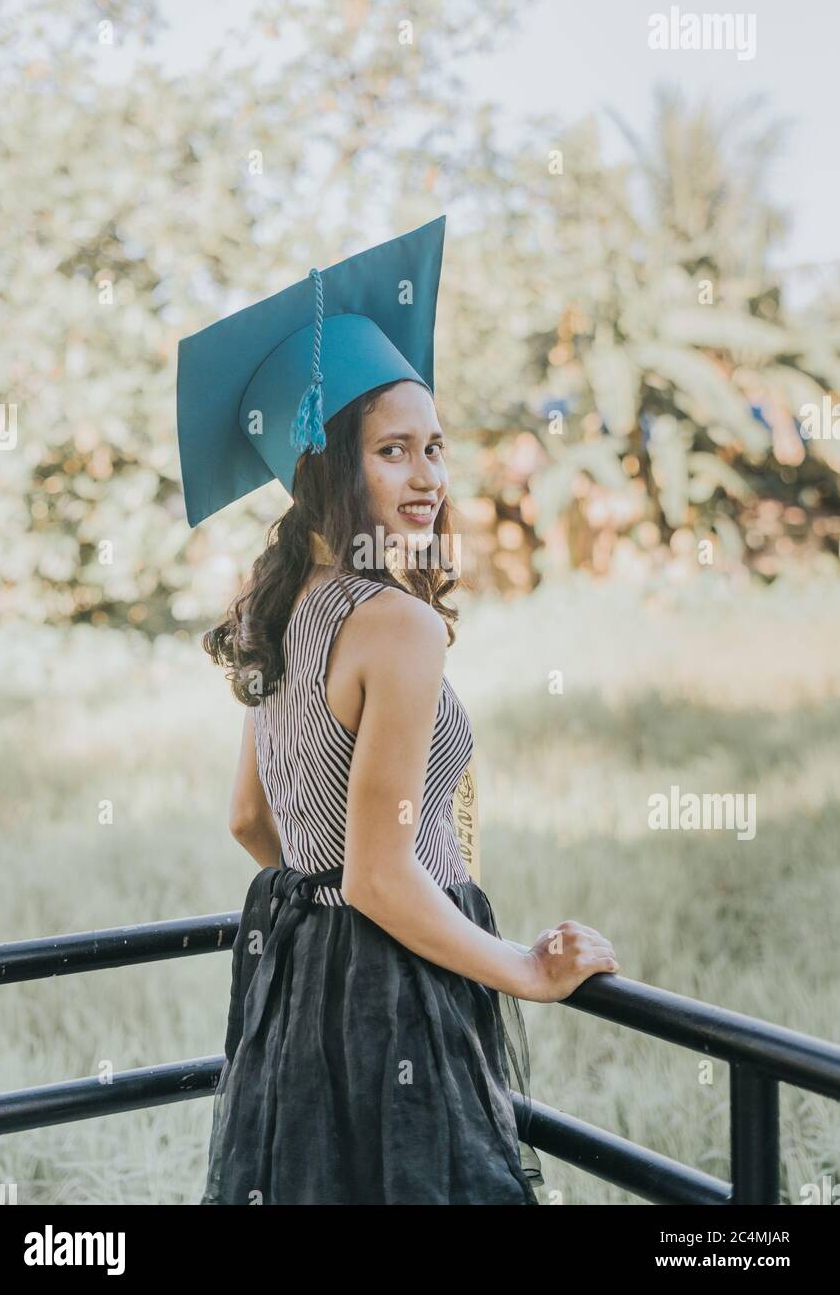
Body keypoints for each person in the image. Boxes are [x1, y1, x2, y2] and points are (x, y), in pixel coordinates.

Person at [176, 216, 619, 1204]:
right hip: (395, 993)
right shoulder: (394, 626)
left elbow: (253, 821)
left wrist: (329, 914)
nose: (427, 478)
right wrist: (522, 969)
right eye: (392, 451)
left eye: (435, 448)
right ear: (332, 462)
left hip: (298, 991)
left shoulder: (272, 601)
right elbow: (384, 875)